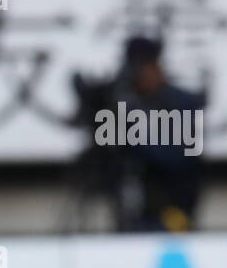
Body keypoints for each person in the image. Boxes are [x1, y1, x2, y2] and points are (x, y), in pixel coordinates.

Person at [68, 35, 206, 233]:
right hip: (133, 212)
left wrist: (134, 134)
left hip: (171, 213)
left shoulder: (178, 103)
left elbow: (180, 159)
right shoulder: (124, 103)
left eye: (145, 67)